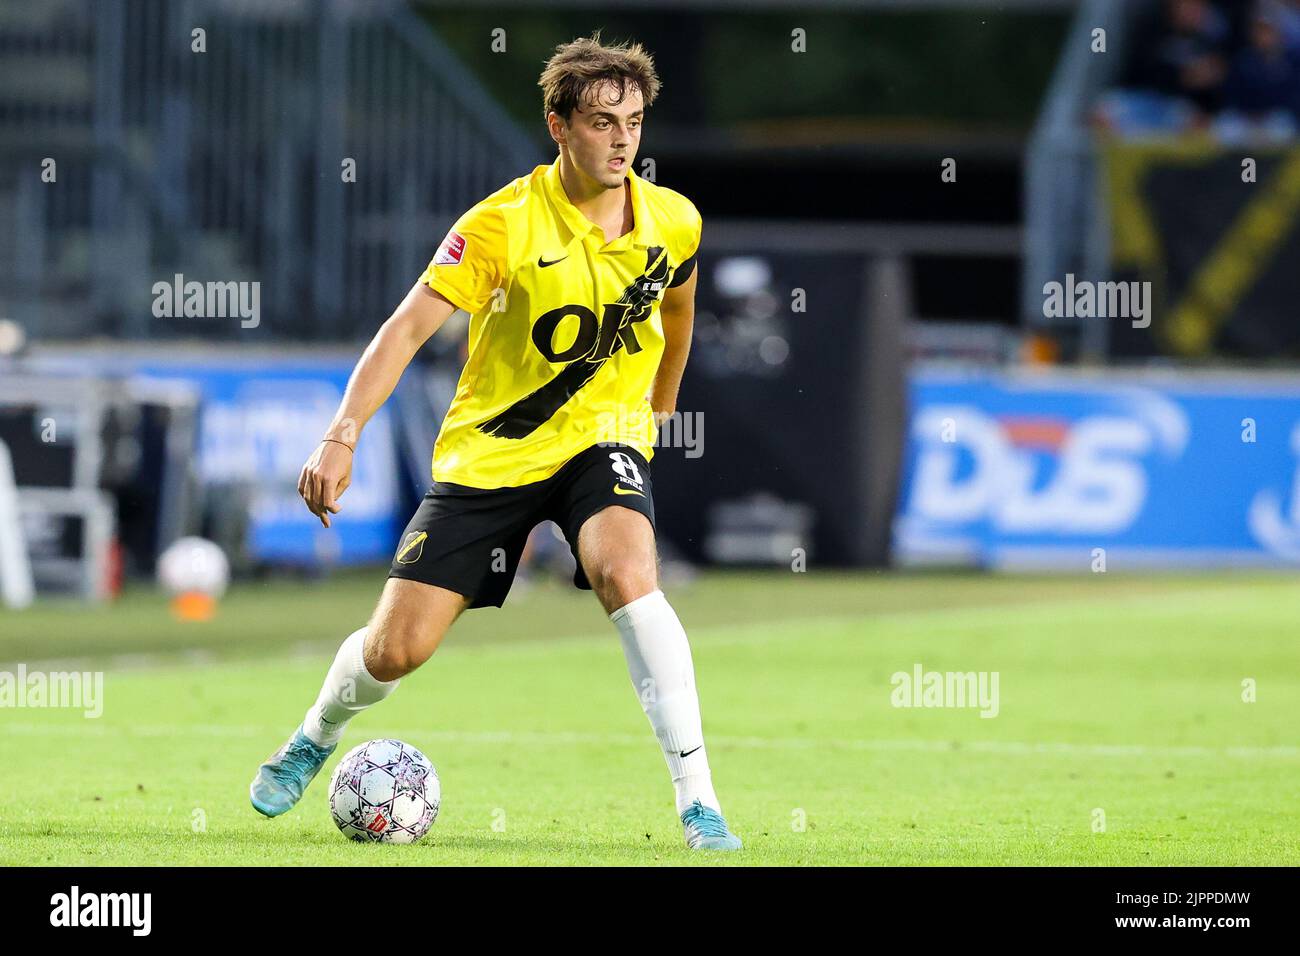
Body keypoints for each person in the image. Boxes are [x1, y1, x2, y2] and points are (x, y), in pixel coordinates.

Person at [248, 34, 742, 851]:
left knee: (627, 573)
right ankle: (314, 734)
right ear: (559, 126)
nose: (622, 139)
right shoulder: (502, 225)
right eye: (601, 122)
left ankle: (700, 802)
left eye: (633, 121)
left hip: (603, 438)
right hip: (493, 455)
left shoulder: (673, 219)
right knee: (396, 651)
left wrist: (659, 407)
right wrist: (342, 433)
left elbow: (678, 309)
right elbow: (406, 329)